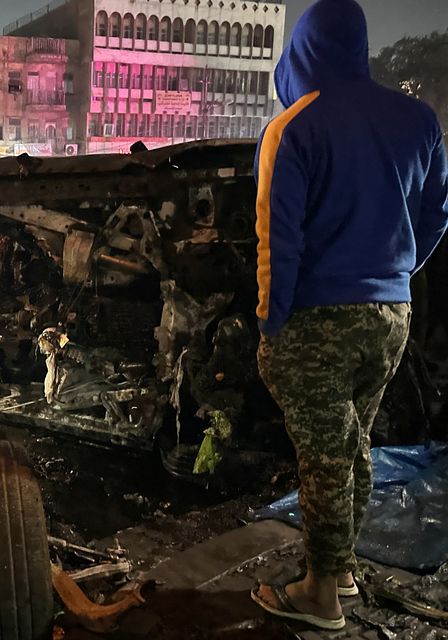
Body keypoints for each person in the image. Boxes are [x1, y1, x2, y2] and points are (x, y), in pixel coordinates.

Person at [250, 0, 448, 631]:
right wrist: (396, 272)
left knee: (324, 456)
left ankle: (319, 597)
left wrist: (269, 322)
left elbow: (276, 239)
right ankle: (342, 573)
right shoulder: (418, 120)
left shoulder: (295, 128)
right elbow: (438, 212)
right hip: (391, 316)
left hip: (316, 318)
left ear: (302, 49)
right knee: (355, 445)